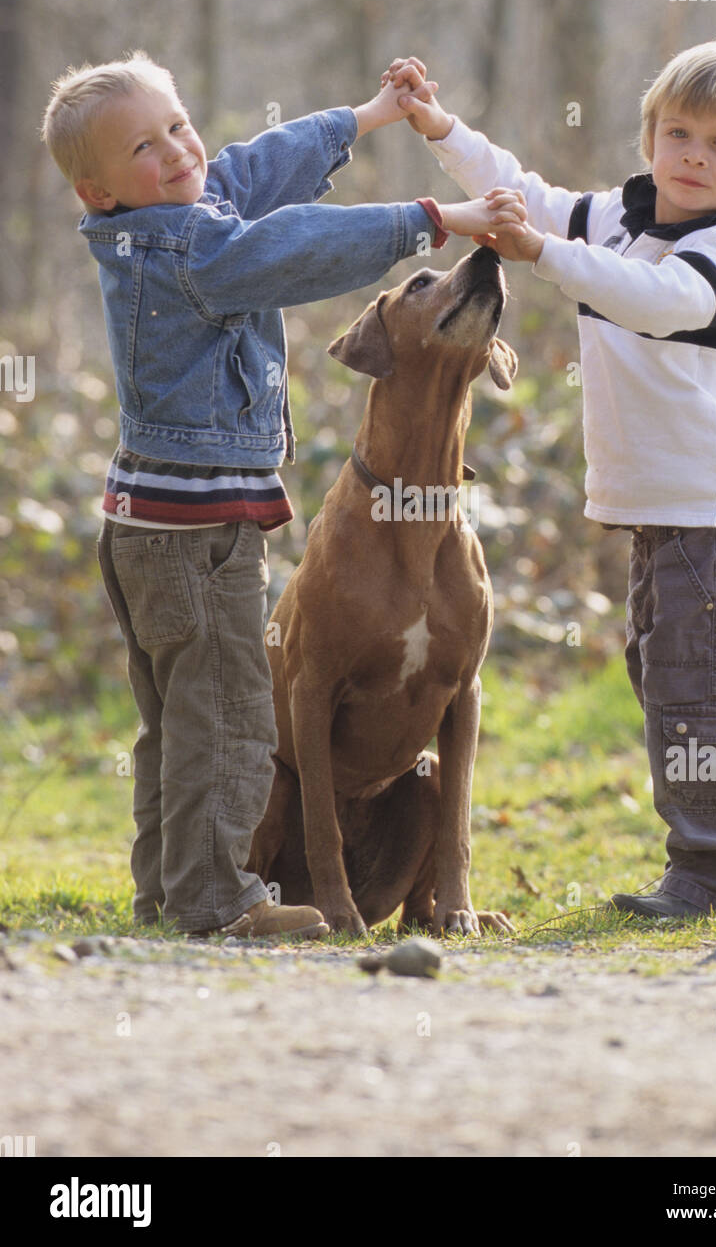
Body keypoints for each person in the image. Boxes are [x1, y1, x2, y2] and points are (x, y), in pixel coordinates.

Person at [41, 50, 525, 938]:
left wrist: (366, 116)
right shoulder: (190, 247)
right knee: (227, 718)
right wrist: (432, 218)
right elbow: (294, 247)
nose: (182, 152)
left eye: (178, 127)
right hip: (196, 535)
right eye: (145, 147)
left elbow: (255, 167)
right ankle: (218, 898)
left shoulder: (180, 206)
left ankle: (166, 891)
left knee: (178, 724)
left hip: (152, 527)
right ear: (98, 193)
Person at [387, 35, 716, 919]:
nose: (693, 155)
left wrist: (539, 253)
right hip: (661, 521)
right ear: (650, 134)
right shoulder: (623, 214)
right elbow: (525, 192)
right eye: (678, 132)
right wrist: (442, 129)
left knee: (709, 701)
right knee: (668, 686)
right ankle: (700, 863)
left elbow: (648, 300)